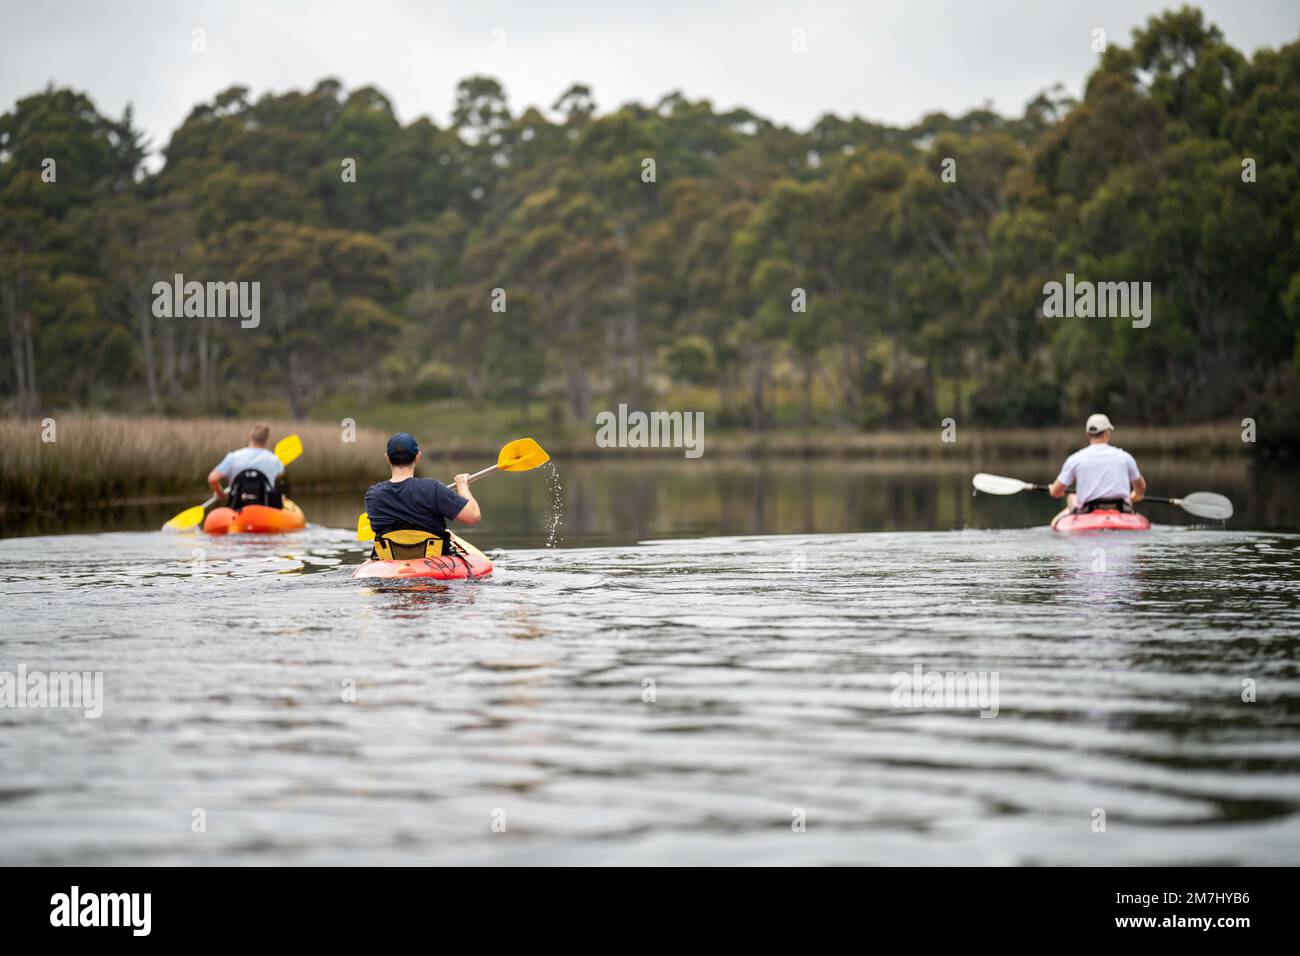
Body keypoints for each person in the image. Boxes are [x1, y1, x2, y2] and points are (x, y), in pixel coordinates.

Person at [364, 432, 480, 558]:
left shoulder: (372, 495)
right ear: (417, 457)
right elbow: (473, 517)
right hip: (433, 566)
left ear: (387, 458)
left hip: (391, 565)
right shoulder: (433, 488)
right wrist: (462, 486)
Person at [1049, 413, 1146, 516]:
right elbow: (1141, 486)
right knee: (1128, 501)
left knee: (1071, 497)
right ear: (1107, 433)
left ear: (1088, 434)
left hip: (1087, 511)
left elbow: (1055, 492)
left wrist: (1053, 489)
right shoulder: (1125, 457)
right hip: (1121, 509)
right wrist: (1136, 496)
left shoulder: (1075, 459)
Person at [208, 423, 285, 510]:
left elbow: (212, 479)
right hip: (264, 509)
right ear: (266, 439)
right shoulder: (274, 460)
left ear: (250, 436)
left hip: (237, 509)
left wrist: (220, 494)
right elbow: (280, 475)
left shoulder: (233, 457)